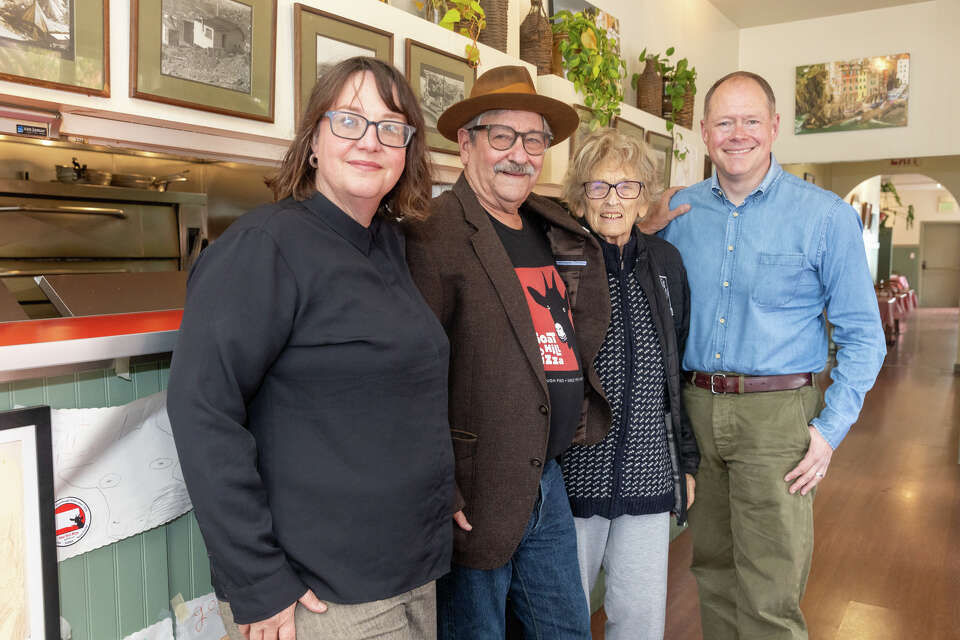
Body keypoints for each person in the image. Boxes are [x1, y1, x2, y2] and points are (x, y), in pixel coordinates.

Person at [166, 57, 454, 640]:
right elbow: (203, 412)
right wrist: (258, 581)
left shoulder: (392, 247)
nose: (370, 142)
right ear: (314, 139)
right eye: (349, 120)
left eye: (391, 128)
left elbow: (394, 392)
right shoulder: (263, 245)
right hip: (320, 601)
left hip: (410, 572)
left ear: (407, 152)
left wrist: (442, 486)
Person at [640, 71, 886, 639]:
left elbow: (863, 336)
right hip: (696, 409)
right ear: (704, 132)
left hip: (778, 419)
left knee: (771, 591)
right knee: (713, 573)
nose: (738, 134)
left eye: (751, 120)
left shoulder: (824, 216)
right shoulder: (676, 213)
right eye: (724, 122)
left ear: (774, 127)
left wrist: (829, 431)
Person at [404, 65, 612, 638]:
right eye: (502, 137)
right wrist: (440, 484)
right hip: (475, 487)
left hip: (545, 476)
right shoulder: (431, 233)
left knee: (565, 628)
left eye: (535, 139)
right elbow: (411, 376)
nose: (520, 154)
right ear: (466, 143)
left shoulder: (548, 225)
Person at [559, 128, 700, 640]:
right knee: (562, 617)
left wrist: (684, 464)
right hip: (572, 476)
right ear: (580, 196)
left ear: (645, 198)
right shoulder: (560, 258)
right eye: (598, 187)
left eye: (627, 187)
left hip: (648, 475)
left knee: (639, 621)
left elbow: (677, 370)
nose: (612, 200)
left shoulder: (666, 264)